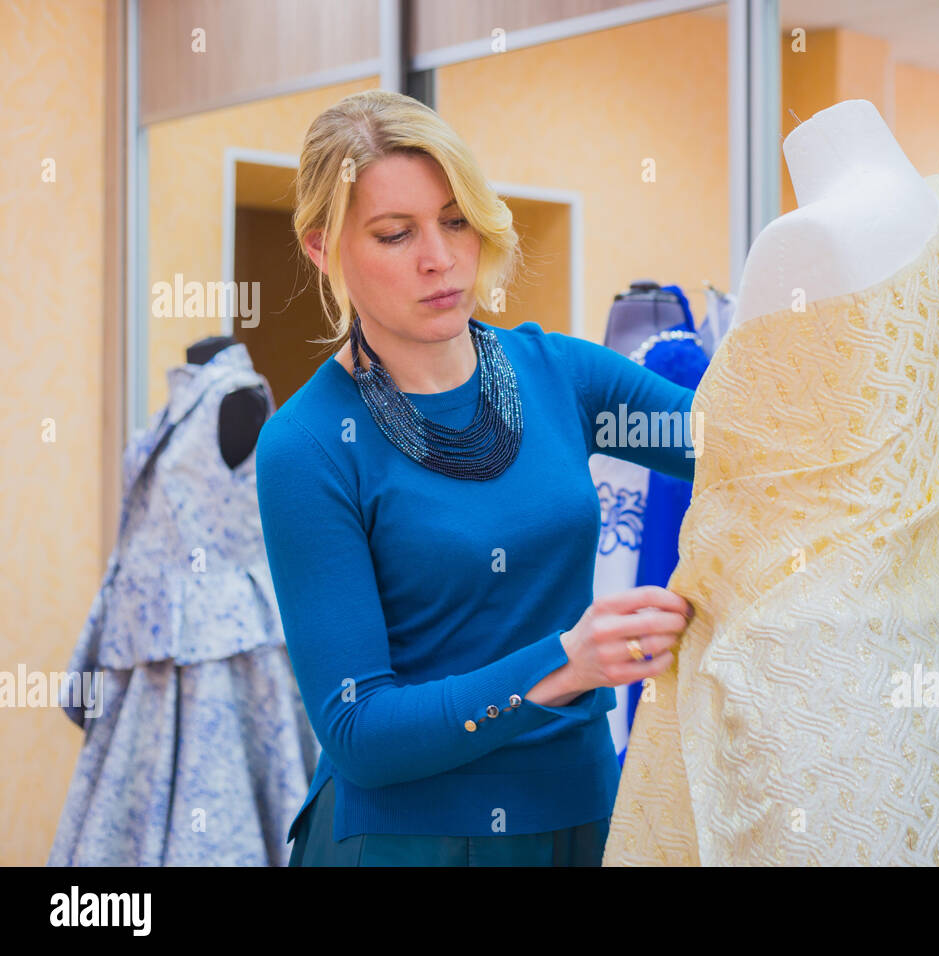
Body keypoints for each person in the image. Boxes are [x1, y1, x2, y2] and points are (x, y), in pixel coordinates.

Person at [256, 89, 695, 866]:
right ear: (324, 250)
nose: (440, 257)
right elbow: (359, 731)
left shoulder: (561, 374)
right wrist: (566, 661)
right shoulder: (309, 445)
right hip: (409, 840)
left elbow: (755, 446)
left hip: (583, 817)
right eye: (396, 234)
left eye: (456, 220)